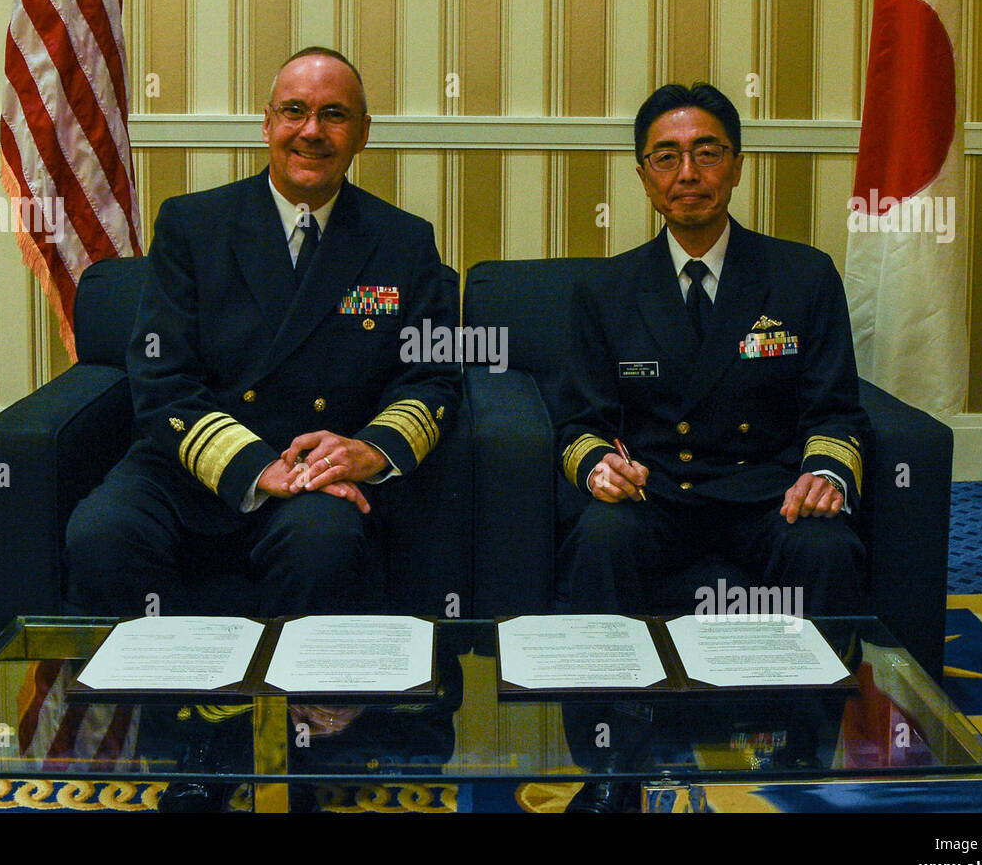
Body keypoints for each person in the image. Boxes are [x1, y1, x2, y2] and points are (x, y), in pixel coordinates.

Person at [63, 47, 461, 620]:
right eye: (294, 111)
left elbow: (432, 379)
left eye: (334, 115)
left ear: (364, 133)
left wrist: (368, 450)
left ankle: (303, 707)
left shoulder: (404, 242)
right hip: (192, 464)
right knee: (102, 533)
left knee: (321, 545)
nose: (311, 132)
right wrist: (256, 468)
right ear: (268, 123)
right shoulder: (193, 225)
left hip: (320, 471)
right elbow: (161, 374)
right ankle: (150, 705)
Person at [556, 81, 869, 624]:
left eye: (707, 153)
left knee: (827, 548)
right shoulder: (605, 290)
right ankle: (607, 708)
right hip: (654, 494)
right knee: (599, 541)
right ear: (643, 176)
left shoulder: (803, 277)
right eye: (665, 157)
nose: (688, 174)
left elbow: (836, 411)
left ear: (737, 165)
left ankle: (818, 710)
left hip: (768, 493)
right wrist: (599, 468)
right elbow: (581, 423)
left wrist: (824, 475)